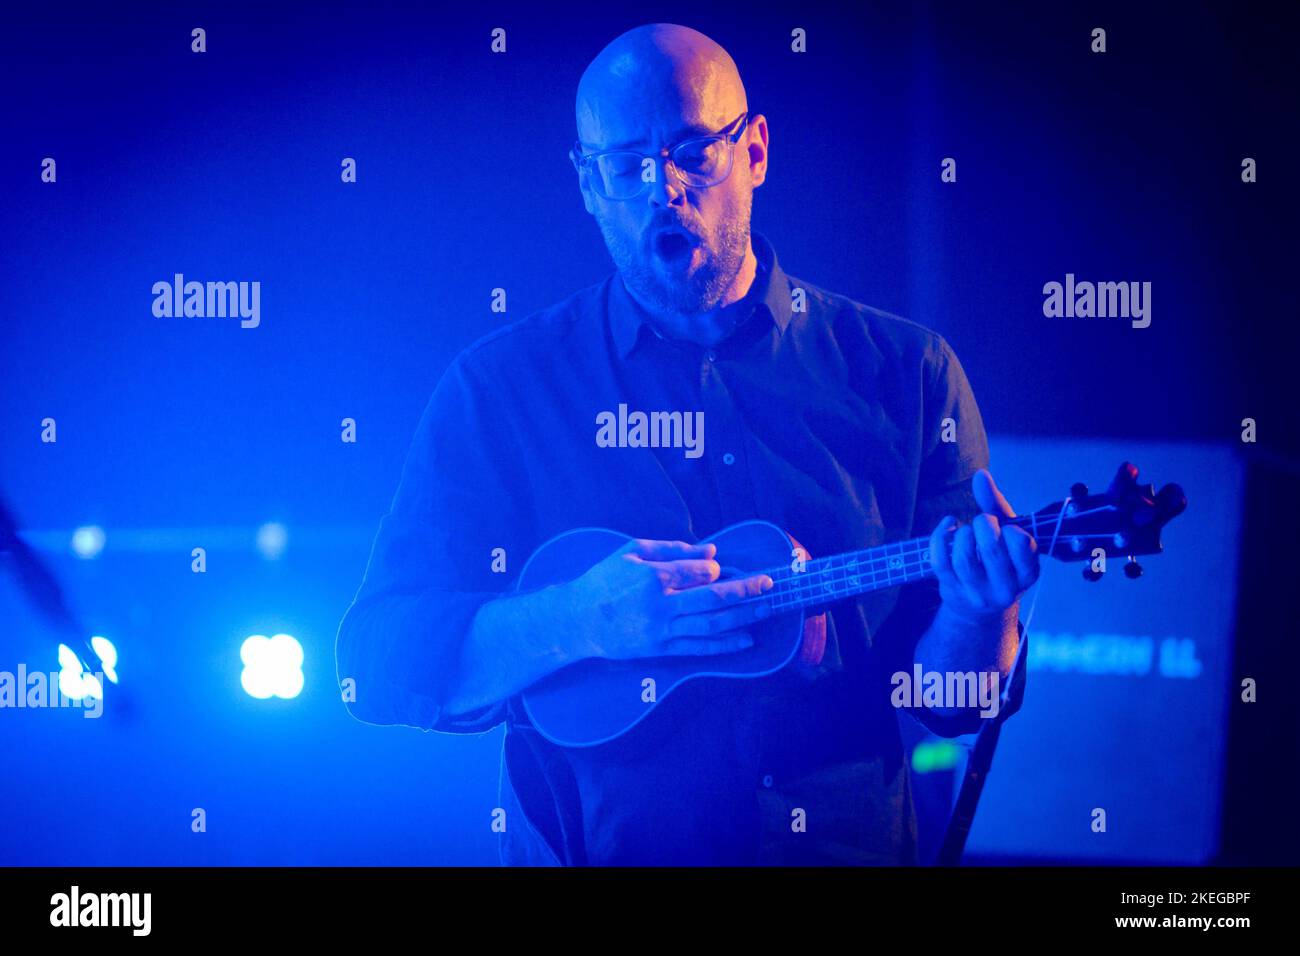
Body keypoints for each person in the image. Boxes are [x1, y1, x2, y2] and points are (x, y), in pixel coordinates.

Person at [336, 22, 1038, 865]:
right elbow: (378, 663)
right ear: (588, 186)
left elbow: (955, 701)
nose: (660, 189)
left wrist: (981, 607)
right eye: (623, 165)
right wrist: (578, 620)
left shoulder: (907, 372)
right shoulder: (500, 390)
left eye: (691, 152)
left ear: (756, 151)